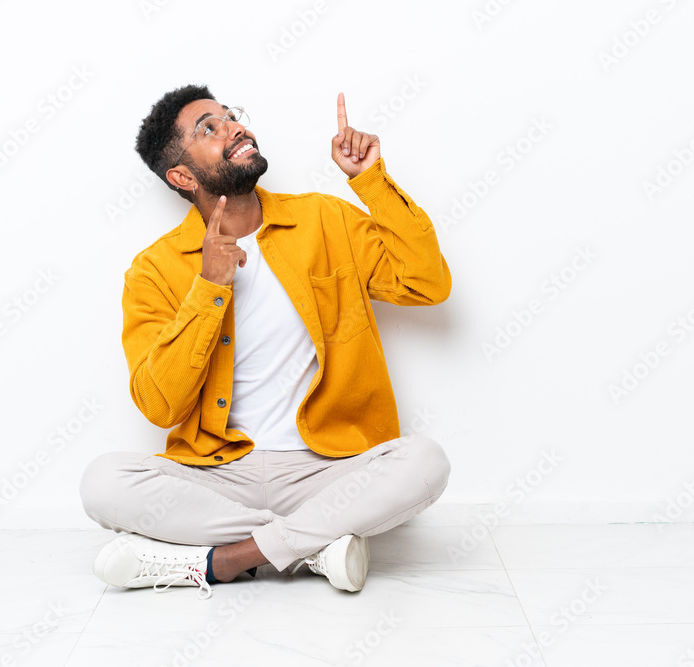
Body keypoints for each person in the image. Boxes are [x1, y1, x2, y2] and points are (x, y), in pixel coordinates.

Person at [78, 84, 452, 600]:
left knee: (425, 462)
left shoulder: (325, 218)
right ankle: (315, 544)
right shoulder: (154, 270)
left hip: (329, 467)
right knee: (102, 482)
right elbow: (160, 407)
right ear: (182, 177)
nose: (234, 127)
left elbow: (426, 284)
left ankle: (228, 559)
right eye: (209, 128)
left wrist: (369, 180)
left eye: (230, 116)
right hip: (221, 476)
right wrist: (209, 287)